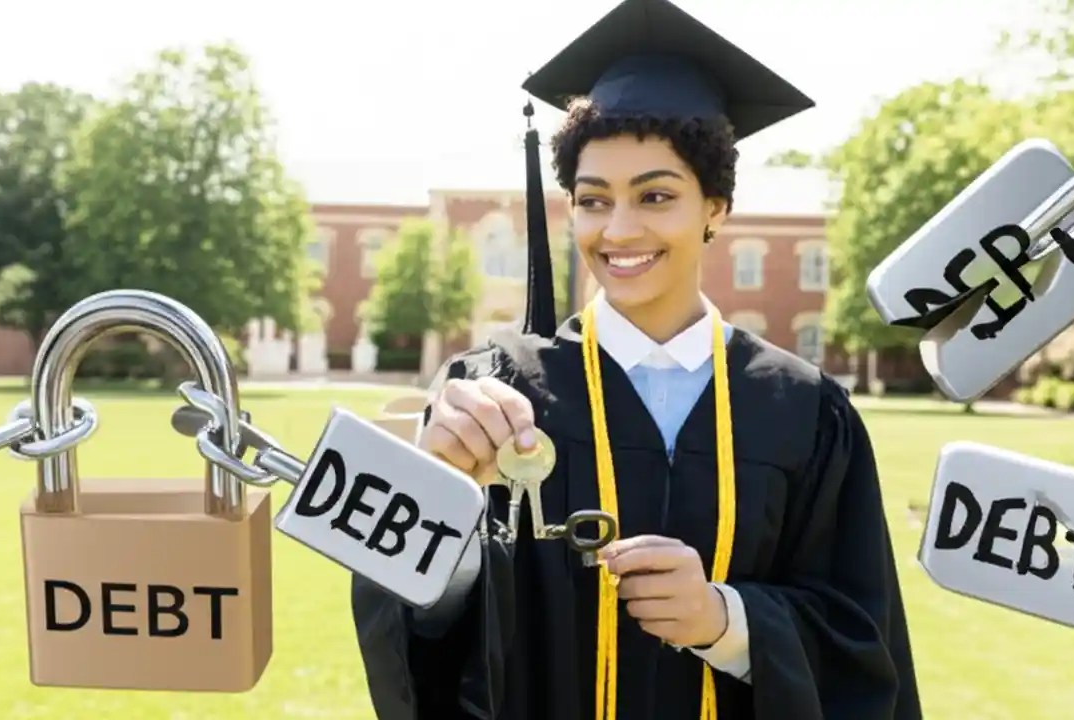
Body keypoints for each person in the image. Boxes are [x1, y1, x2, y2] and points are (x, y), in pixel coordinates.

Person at [350, 0, 922, 718]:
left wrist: (729, 622)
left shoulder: (803, 411)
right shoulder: (495, 392)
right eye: (593, 201)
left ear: (716, 207)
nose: (618, 230)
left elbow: (864, 644)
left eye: (656, 195)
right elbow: (422, 640)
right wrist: (430, 489)